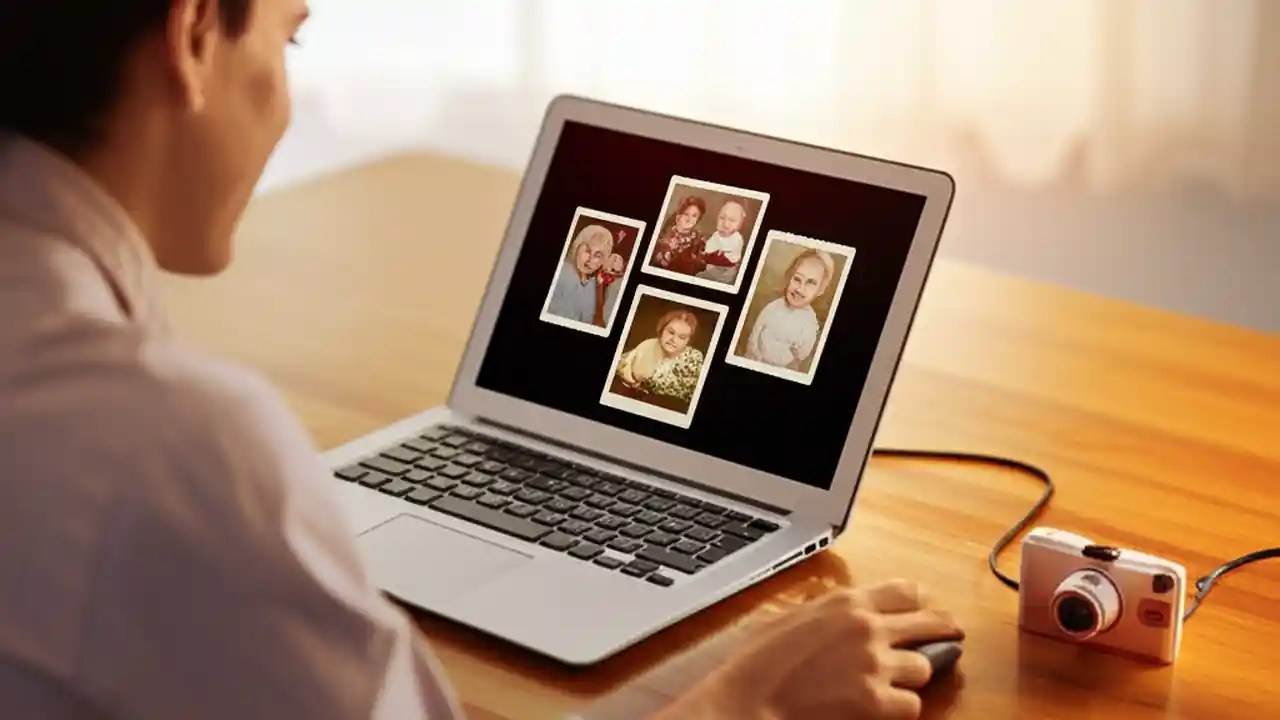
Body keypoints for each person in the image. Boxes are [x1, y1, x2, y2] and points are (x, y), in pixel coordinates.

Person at [0, 2, 963, 718]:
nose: (288, 98)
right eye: (289, 38)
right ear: (194, 33)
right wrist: (747, 697)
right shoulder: (178, 445)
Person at [745, 248, 836, 371]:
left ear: (820, 290)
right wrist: (754, 359)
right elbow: (754, 337)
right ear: (790, 278)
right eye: (797, 279)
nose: (800, 289)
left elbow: (801, 356)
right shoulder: (772, 308)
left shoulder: (810, 324)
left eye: (810, 283)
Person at [615, 309, 706, 408]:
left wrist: (643, 383)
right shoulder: (648, 345)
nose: (673, 339)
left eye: (682, 337)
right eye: (671, 332)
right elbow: (621, 364)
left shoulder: (693, 357)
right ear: (662, 330)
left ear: (688, 341)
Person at [547, 223, 618, 327]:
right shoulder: (561, 272)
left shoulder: (596, 285)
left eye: (598, 255)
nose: (590, 259)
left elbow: (599, 325)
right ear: (577, 248)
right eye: (587, 251)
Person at [649, 194, 707, 275]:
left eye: (694, 216)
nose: (689, 219)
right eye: (686, 214)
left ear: (698, 219)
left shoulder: (700, 238)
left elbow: (702, 264)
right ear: (679, 216)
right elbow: (655, 265)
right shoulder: (666, 236)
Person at [697, 198, 749, 285]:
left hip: (725, 270)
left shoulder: (737, 238)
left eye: (732, 220)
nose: (725, 224)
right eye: (722, 218)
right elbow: (709, 248)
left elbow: (728, 257)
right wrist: (704, 252)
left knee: (701, 276)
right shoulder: (716, 234)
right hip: (711, 265)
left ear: (740, 224)